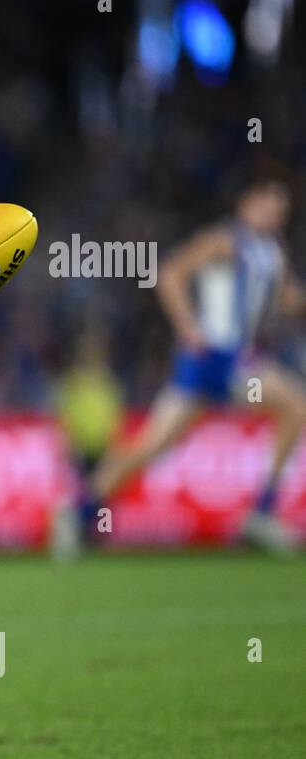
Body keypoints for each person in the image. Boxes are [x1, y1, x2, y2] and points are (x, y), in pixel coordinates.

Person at [53, 178, 306, 557]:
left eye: (279, 208)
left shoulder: (272, 252)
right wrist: (188, 327)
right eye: (267, 203)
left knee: (153, 447)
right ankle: (261, 511)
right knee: (296, 405)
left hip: (228, 361)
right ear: (247, 203)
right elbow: (170, 273)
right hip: (217, 356)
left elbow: (289, 300)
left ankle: (78, 511)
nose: (273, 212)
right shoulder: (224, 240)